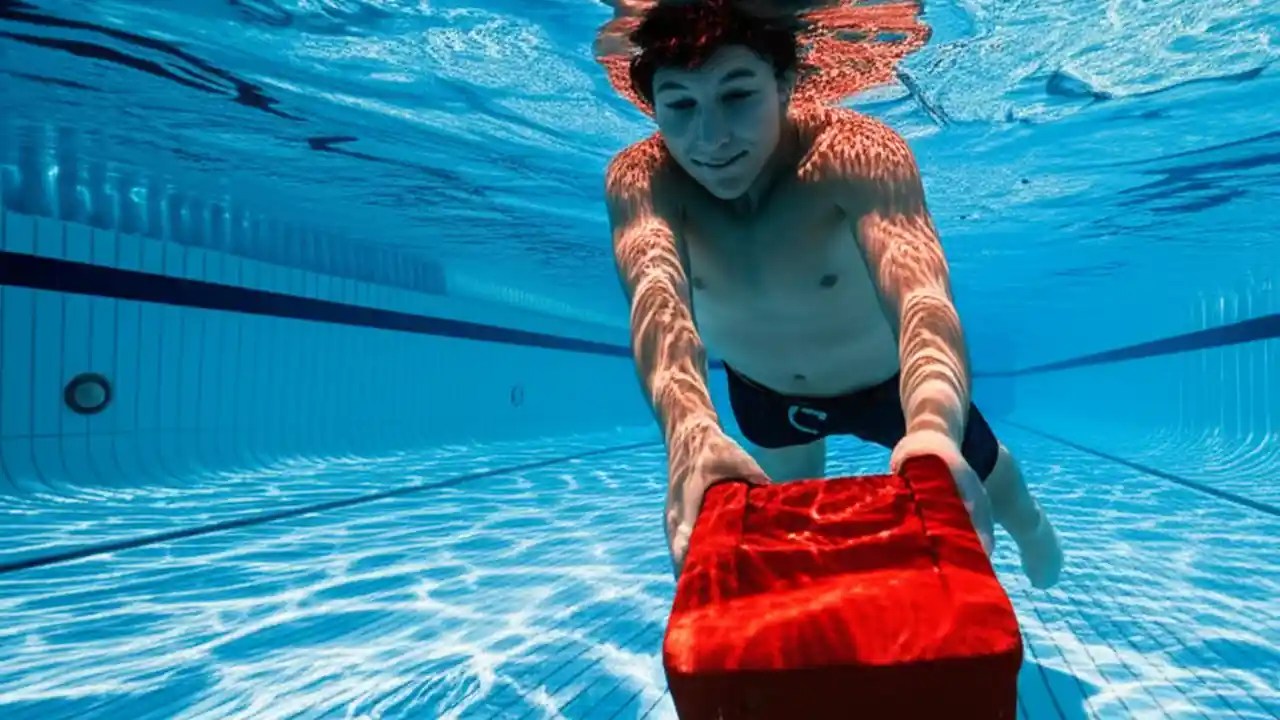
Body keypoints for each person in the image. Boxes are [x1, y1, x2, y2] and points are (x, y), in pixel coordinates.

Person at [603, 0, 1063, 588]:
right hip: (767, 393)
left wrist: (929, 425)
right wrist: (690, 436)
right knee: (798, 531)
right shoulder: (641, 179)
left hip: (891, 386)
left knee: (999, 492)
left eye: (737, 95)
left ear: (786, 84)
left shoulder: (854, 154)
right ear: (654, 108)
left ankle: (1034, 530)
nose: (710, 138)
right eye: (681, 106)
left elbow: (923, 299)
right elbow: (657, 305)